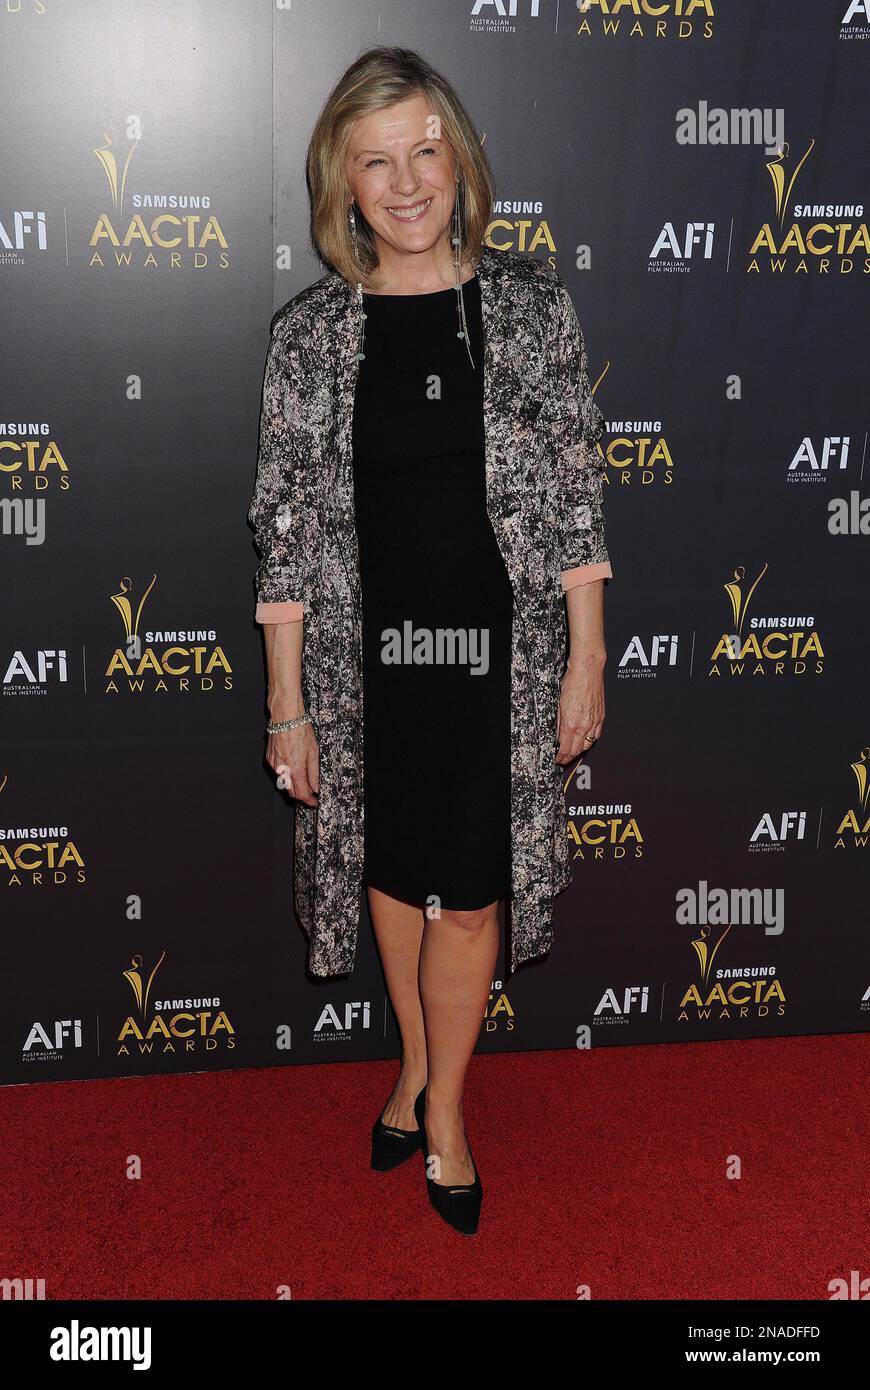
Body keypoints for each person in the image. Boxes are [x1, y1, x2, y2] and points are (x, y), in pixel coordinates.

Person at [248, 46, 612, 1236]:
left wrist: (587, 655)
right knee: (394, 876)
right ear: (341, 184)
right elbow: (288, 536)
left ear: (458, 158)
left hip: (498, 673)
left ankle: (444, 1109)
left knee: (470, 896)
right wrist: (288, 706)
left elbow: (572, 500)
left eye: (424, 151)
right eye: (375, 161)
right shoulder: (309, 336)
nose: (405, 184)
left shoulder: (530, 308)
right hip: (366, 676)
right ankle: (412, 1064)